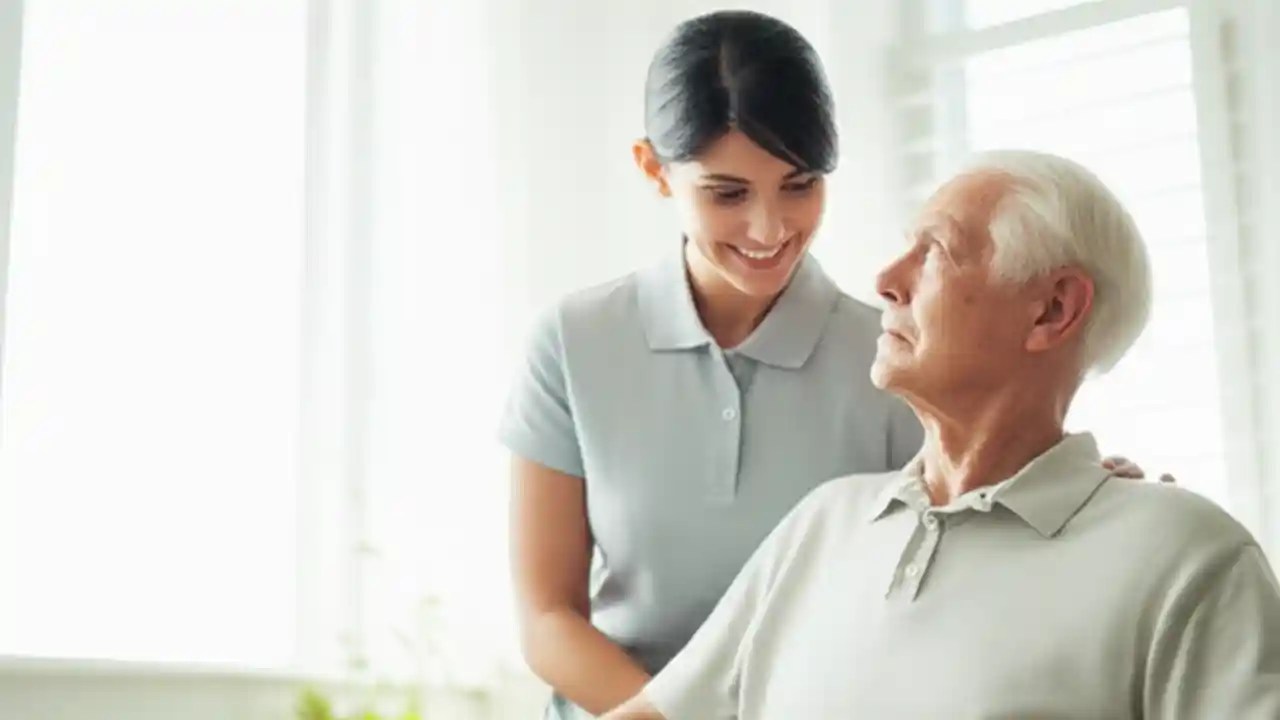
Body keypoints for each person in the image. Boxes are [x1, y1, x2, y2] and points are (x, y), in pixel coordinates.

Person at [500, 11, 1150, 719]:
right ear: (654, 169)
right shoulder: (574, 342)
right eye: (728, 193)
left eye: (800, 184)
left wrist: (1094, 507)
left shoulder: (900, 362)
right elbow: (547, 618)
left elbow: (983, 534)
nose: (770, 228)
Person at [603, 150, 1280, 719]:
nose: (885, 281)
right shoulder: (822, 525)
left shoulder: (1184, 555)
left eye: (935, 253)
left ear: (1052, 309)